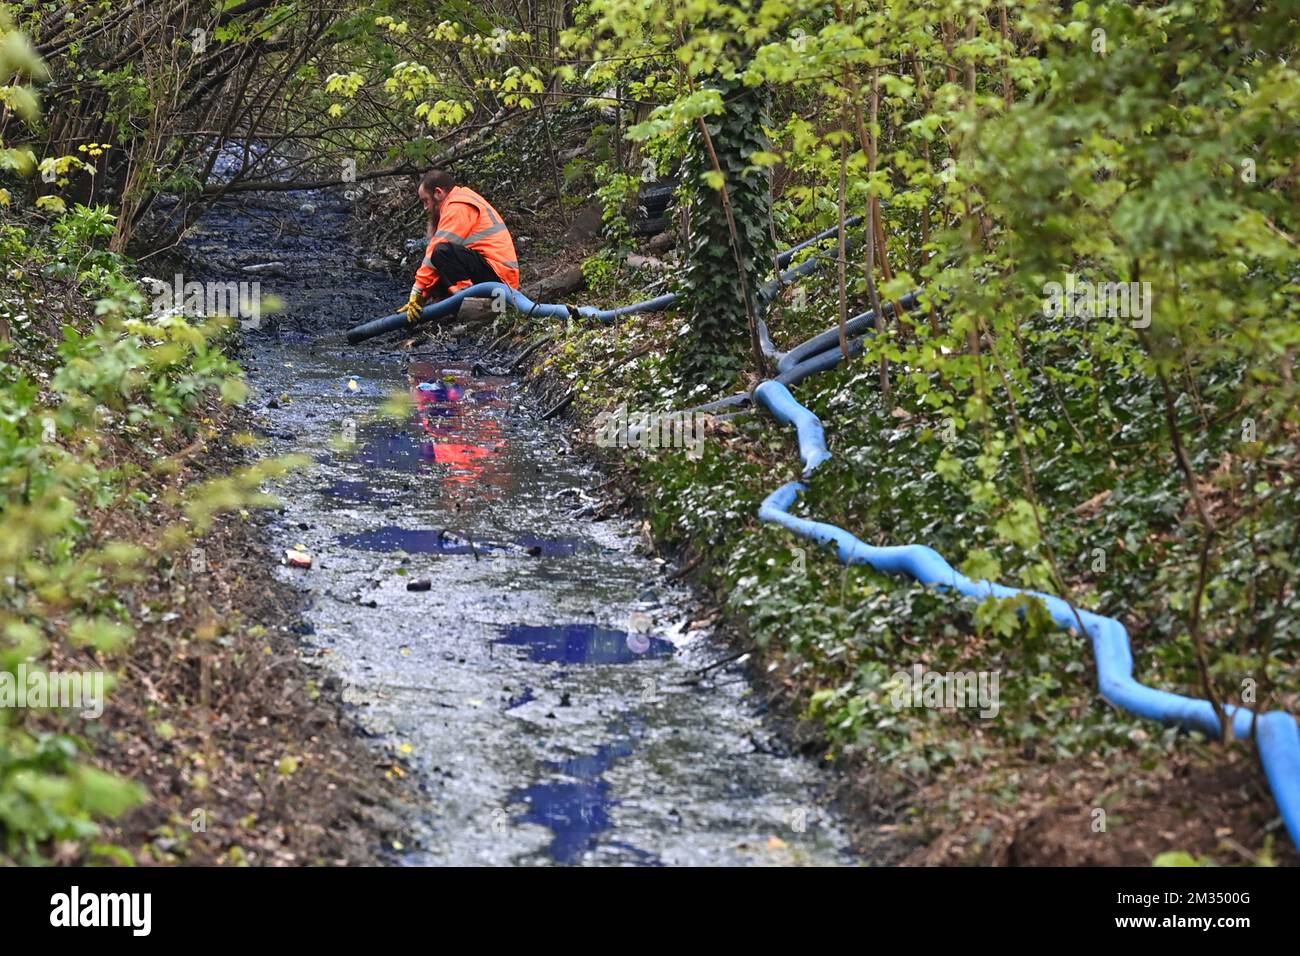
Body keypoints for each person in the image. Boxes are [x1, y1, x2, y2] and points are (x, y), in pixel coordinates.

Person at [399, 169, 521, 323]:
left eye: (425, 201)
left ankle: (469, 305)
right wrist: (420, 299)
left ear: (438, 193)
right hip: (494, 276)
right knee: (437, 264)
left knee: (441, 252)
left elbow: (439, 247)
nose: (425, 208)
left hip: (501, 282)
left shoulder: (459, 206)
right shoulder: (460, 201)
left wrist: (417, 291)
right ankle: (455, 306)